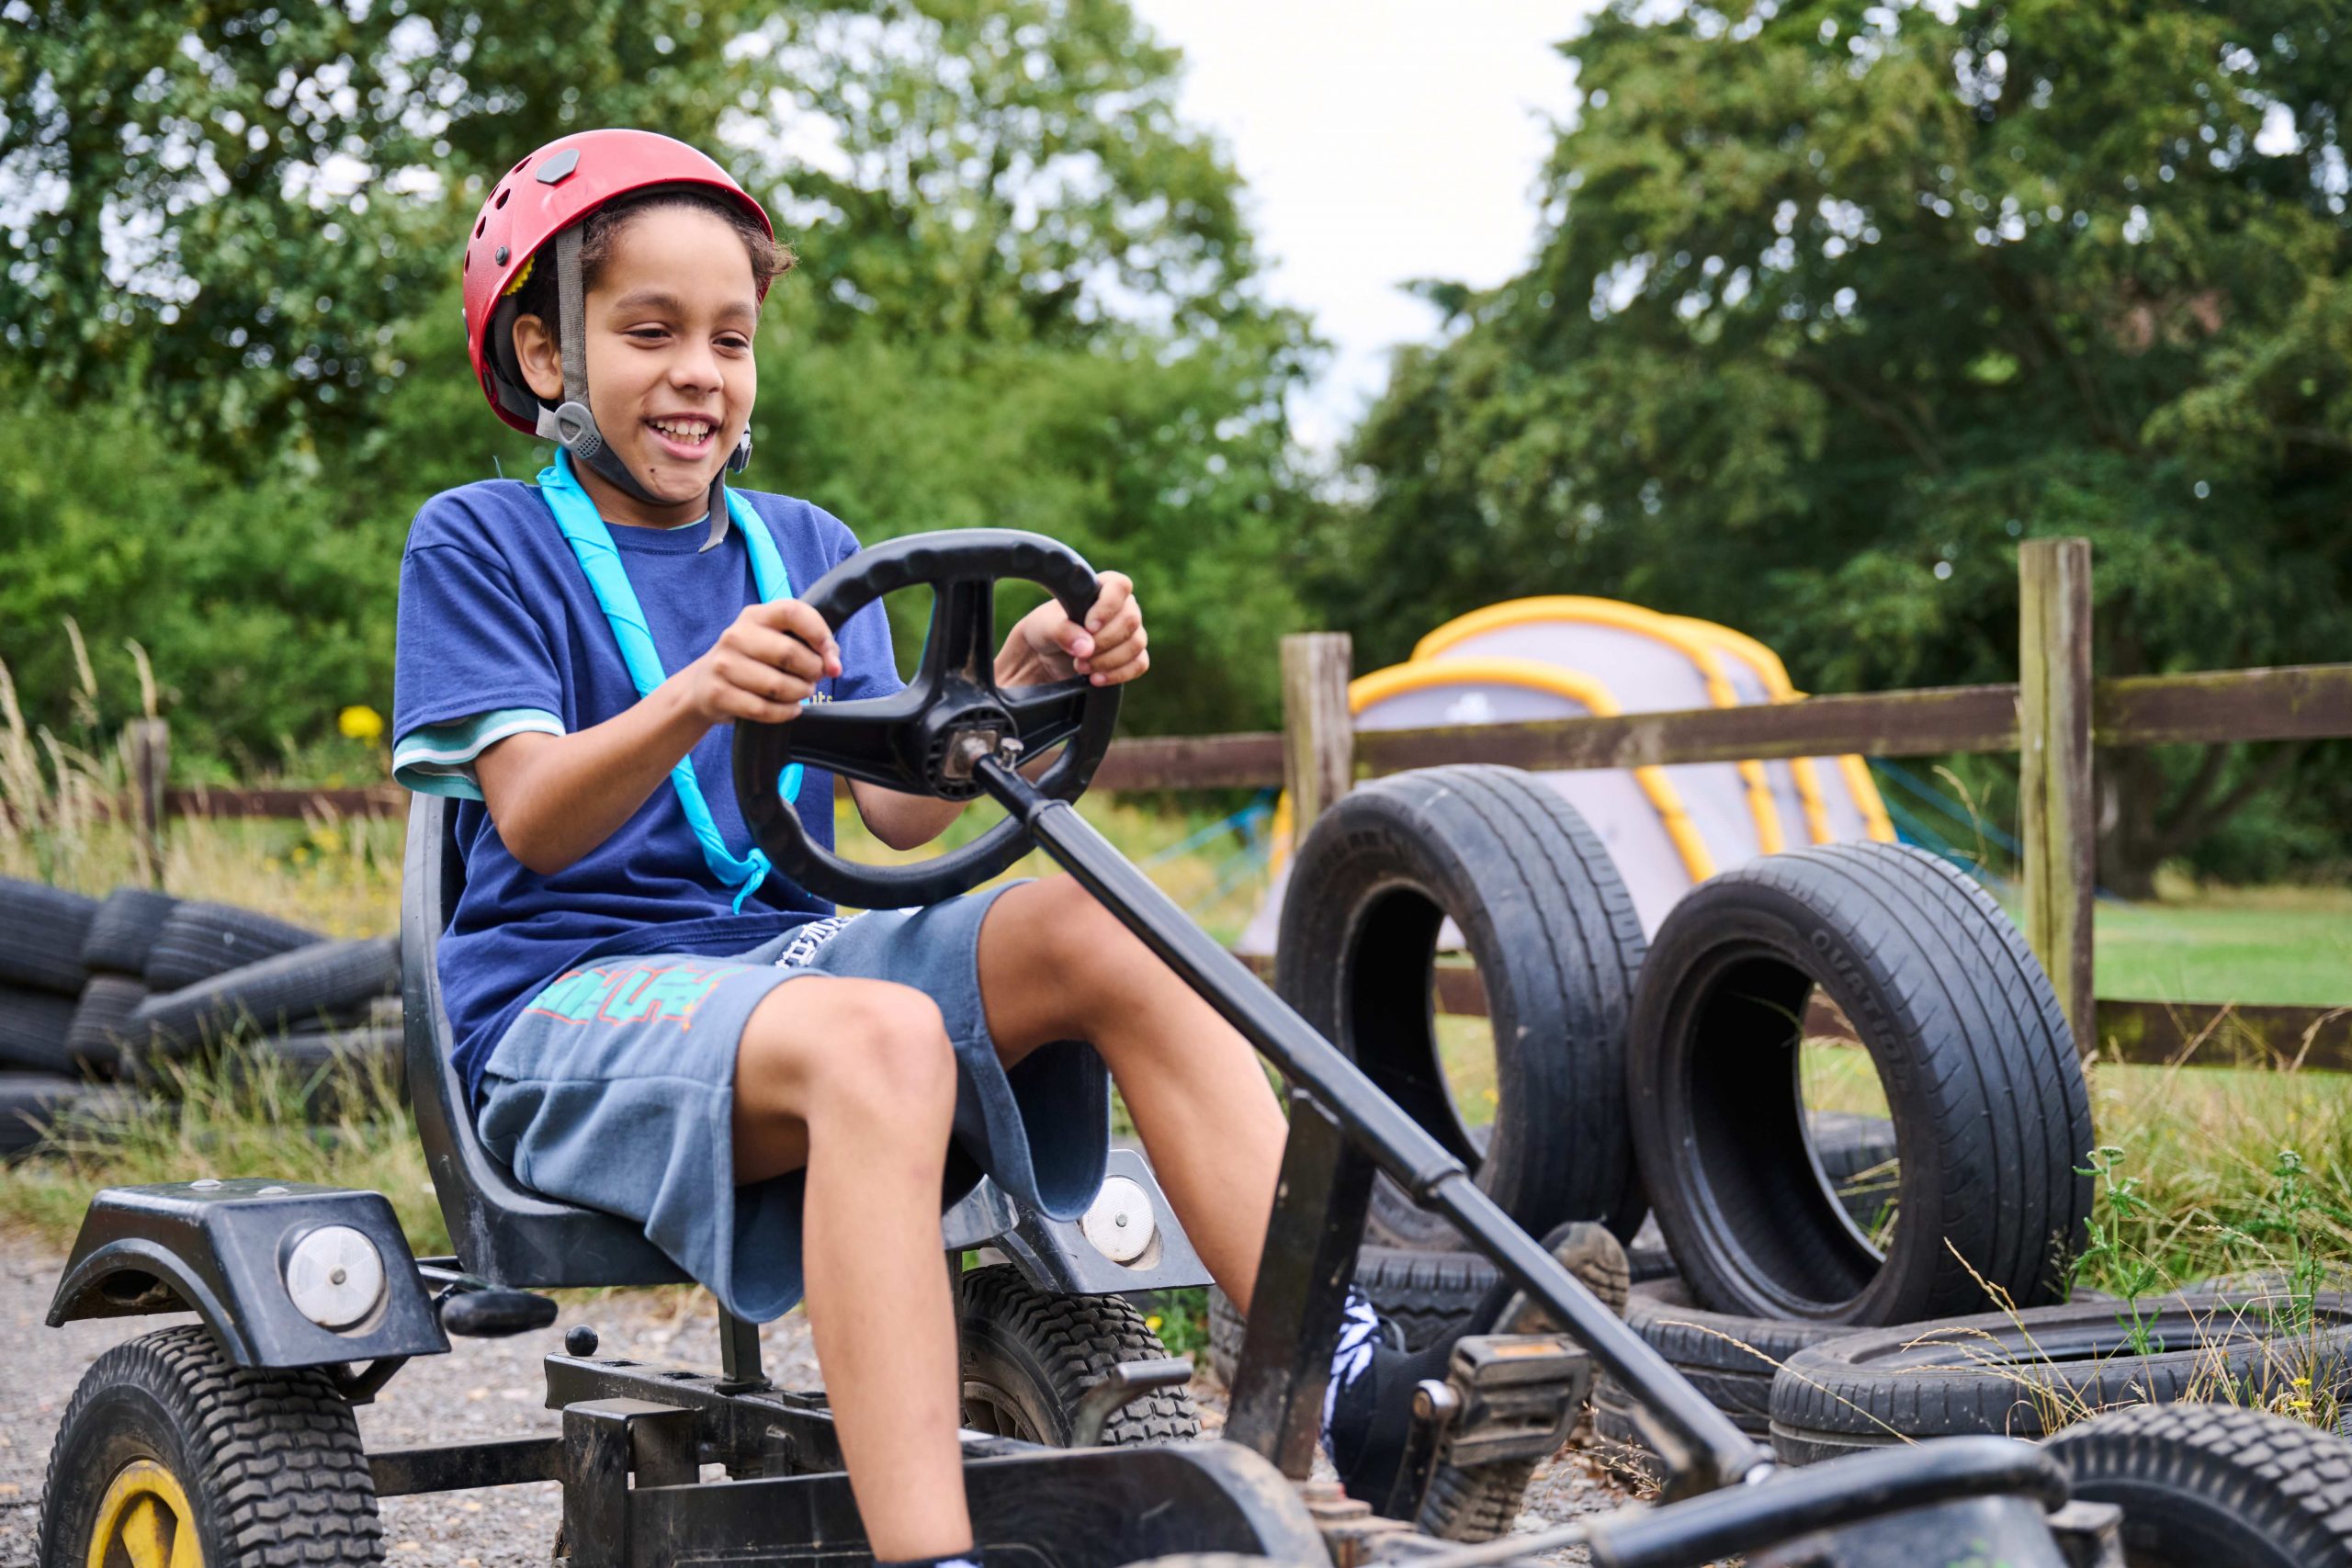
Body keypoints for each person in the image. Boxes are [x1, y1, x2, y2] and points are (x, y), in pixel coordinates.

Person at [392, 129, 1545, 1568]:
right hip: (569, 1000)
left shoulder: (802, 540)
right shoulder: (482, 541)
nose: (700, 371)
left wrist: (1015, 678)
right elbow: (528, 817)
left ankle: (1356, 1382)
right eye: (650, 331)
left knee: (1100, 929)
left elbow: (901, 814)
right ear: (549, 359)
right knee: (879, 1040)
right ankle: (930, 1554)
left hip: (789, 960)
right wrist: (692, 695)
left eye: (732, 338)